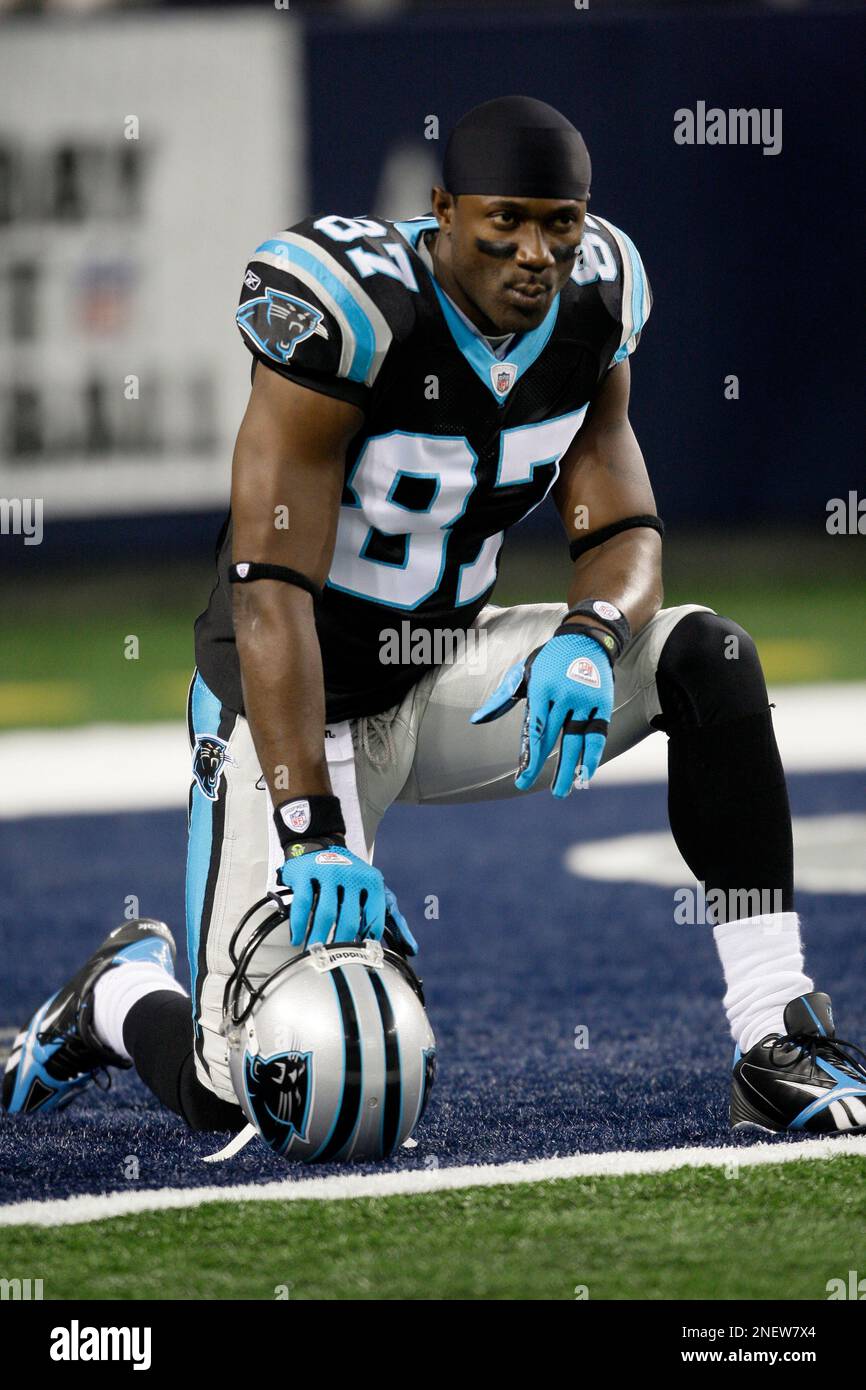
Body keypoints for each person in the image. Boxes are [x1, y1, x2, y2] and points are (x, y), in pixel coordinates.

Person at [6, 97, 865, 1141]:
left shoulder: (596, 303)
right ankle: (116, 994)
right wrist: (310, 827)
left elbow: (623, 522)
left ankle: (774, 1031)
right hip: (293, 713)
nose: (536, 252)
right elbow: (265, 588)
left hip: (447, 668)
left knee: (707, 654)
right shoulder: (353, 311)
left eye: (560, 224)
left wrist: (591, 636)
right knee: (263, 1090)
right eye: (506, 220)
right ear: (441, 211)